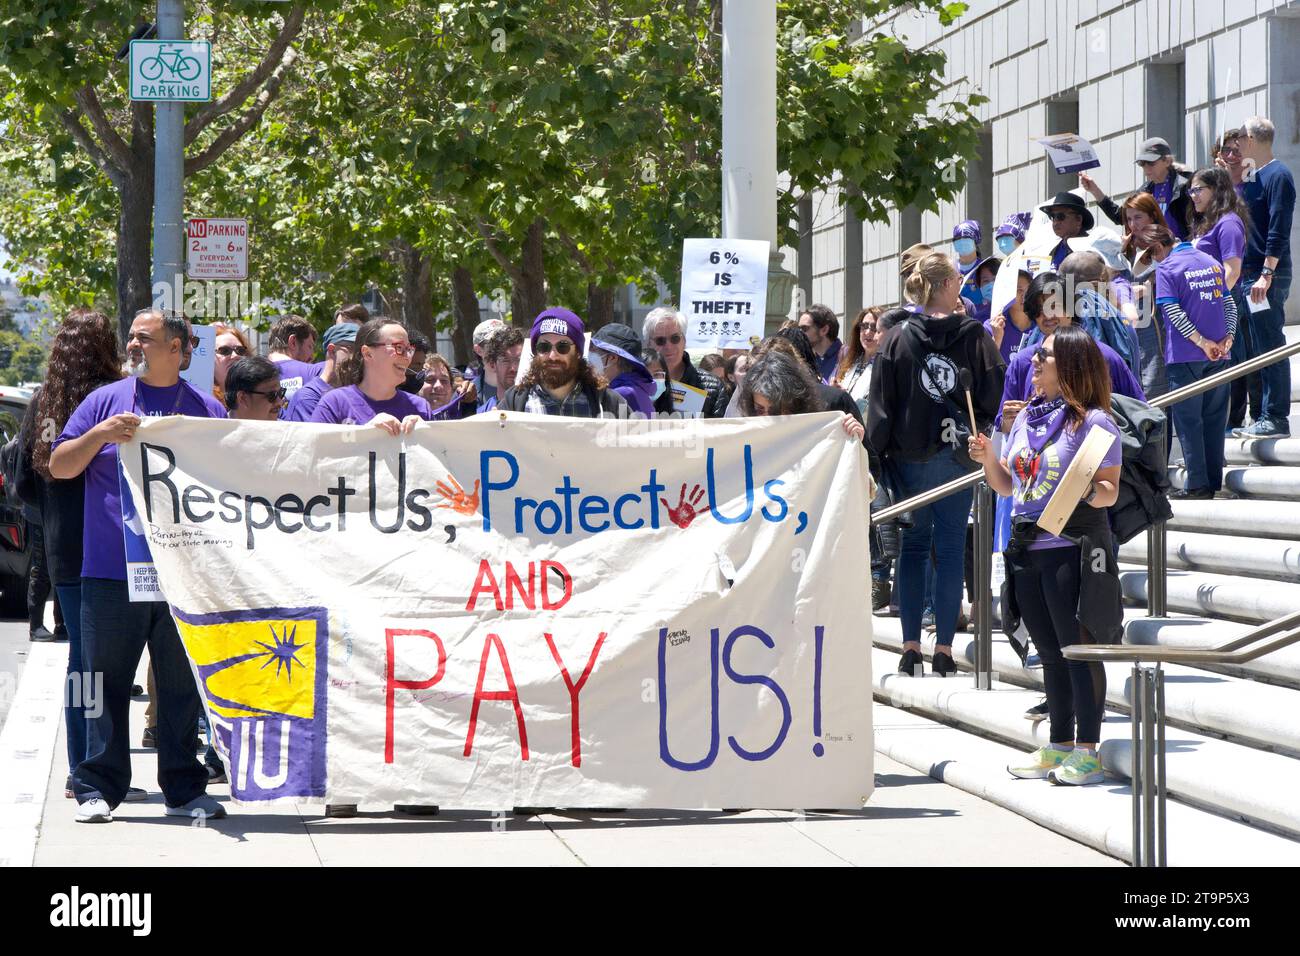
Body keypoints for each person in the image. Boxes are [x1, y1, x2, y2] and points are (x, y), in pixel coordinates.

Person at [49, 309, 228, 824]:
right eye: (130, 336)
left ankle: (184, 788)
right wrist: (99, 435)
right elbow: (60, 466)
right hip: (109, 572)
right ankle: (96, 788)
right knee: (100, 683)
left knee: (179, 686)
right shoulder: (103, 401)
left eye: (145, 339)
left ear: (178, 348)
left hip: (183, 576)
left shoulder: (204, 411)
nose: (132, 345)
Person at [969, 325, 1122, 786]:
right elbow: (1008, 487)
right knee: (1049, 652)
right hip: (1025, 546)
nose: (1034, 361)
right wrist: (989, 458)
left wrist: (1082, 492)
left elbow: (1110, 491)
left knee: (1078, 650)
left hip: (1069, 547)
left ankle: (1088, 751)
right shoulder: (1026, 419)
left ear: (1071, 366)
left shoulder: (1095, 423)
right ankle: (1058, 745)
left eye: (1046, 356)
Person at [867, 252, 1004, 677]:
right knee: (947, 548)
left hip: (909, 460)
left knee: (912, 548)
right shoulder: (975, 336)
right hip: (958, 459)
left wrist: (876, 460)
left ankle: (910, 648)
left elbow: (881, 409)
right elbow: (993, 394)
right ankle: (944, 648)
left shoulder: (896, 339)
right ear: (947, 285)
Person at [998, 271, 1145, 433]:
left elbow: (1138, 411)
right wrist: (1009, 420)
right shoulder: (1023, 362)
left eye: (1054, 306)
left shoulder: (1104, 356)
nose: (1047, 315)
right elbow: (1004, 428)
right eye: (1039, 309)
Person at [1155, 231, 1238, 498]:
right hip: (1218, 354)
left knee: (1189, 423)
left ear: (1159, 246)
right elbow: (1229, 303)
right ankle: (1212, 481)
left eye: (1150, 253)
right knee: (1214, 421)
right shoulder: (1211, 262)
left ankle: (1198, 485)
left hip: (1185, 356)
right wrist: (1229, 337)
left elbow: (1173, 312)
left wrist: (1202, 343)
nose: (1151, 259)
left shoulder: (1167, 268)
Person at [1234, 116, 1296, 438]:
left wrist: (1267, 274)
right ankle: (1261, 416)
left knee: (1270, 344)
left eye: (1240, 137)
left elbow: (1278, 229)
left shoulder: (1279, 176)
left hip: (1265, 275)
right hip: (1250, 274)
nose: (1236, 142)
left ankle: (1276, 417)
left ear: (1253, 138)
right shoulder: (1252, 177)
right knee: (1255, 348)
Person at [310, 318, 438, 433]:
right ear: (368, 353)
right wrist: (366, 433)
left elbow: (439, 456)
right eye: (399, 347)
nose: (407, 357)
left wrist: (425, 436)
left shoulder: (420, 408)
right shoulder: (334, 404)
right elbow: (313, 454)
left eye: (409, 349)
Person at [501, 308, 628, 417]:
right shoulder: (513, 403)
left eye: (563, 347)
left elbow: (636, 442)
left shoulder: (608, 402)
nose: (552, 355)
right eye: (544, 347)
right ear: (535, 352)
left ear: (578, 352)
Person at [738, 349, 866, 445]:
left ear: (793, 403)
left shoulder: (825, 430)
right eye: (759, 409)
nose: (767, 417)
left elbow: (867, 473)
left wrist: (855, 444)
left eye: (775, 410)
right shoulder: (746, 440)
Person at [1080, 137, 1194, 239]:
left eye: (1151, 163)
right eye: (1142, 163)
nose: (1146, 168)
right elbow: (1120, 217)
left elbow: (1196, 222)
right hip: (1155, 252)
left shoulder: (1183, 187)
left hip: (1181, 251)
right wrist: (1094, 190)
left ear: (1167, 161)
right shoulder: (1145, 190)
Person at [641, 307, 727, 417]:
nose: (668, 346)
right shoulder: (637, 384)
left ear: (684, 340)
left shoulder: (714, 386)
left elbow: (722, 430)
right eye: (660, 340)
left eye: (675, 338)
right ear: (648, 344)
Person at [283, 323, 356, 422]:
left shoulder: (360, 393)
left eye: (360, 351)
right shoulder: (308, 398)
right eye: (352, 349)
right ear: (331, 350)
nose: (357, 357)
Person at [590, 323, 657, 416]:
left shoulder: (622, 393)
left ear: (612, 358)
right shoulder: (633, 387)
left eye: (595, 351)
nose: (590, 355)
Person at [834, 307, 883, 416]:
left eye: (874, 327)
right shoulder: (849, 360)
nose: (868, 332)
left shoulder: (886, 365)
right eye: (864, 326)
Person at [265, 314, 320, 403]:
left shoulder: (249, 376)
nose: (312, 356)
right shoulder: (314, 374)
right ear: (293, 342)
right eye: (310, 346)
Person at [986, 268, 1035, 365]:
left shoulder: (1041, 324)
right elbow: (982, 365)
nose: (1024, 295)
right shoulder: (992, 326)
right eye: (1018, 290)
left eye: (1028, 290)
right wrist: (996, 339)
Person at [1039, 192, 1094, 268]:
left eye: (1060, 216)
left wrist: (1066, 279)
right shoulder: (1055, 250)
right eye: (1052, 216)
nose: (1055, 222)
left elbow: (1073, 277)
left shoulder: (1089, 248)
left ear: (1078, 219)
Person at [476, 327, 524, 413]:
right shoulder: (483, 414)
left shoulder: (535, 408)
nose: (513, 368)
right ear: (492, 364)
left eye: (518, 360)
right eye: (505, 360)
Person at [797, 304, 842, 383]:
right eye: (798, 329)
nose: (799, 333)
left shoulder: (847, 357)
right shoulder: (807, 360)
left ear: (824, 330)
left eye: (804, 329)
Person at [211, 323, 253, 407]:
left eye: (240, 350)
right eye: (224, 351)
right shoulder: (200, 401)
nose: (235, 356)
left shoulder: (259, 398)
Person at [419, 354, 461, 419]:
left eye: (444, 380)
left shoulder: (464, 421)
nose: (438, 385)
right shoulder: (403, 421)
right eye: (430, 379)